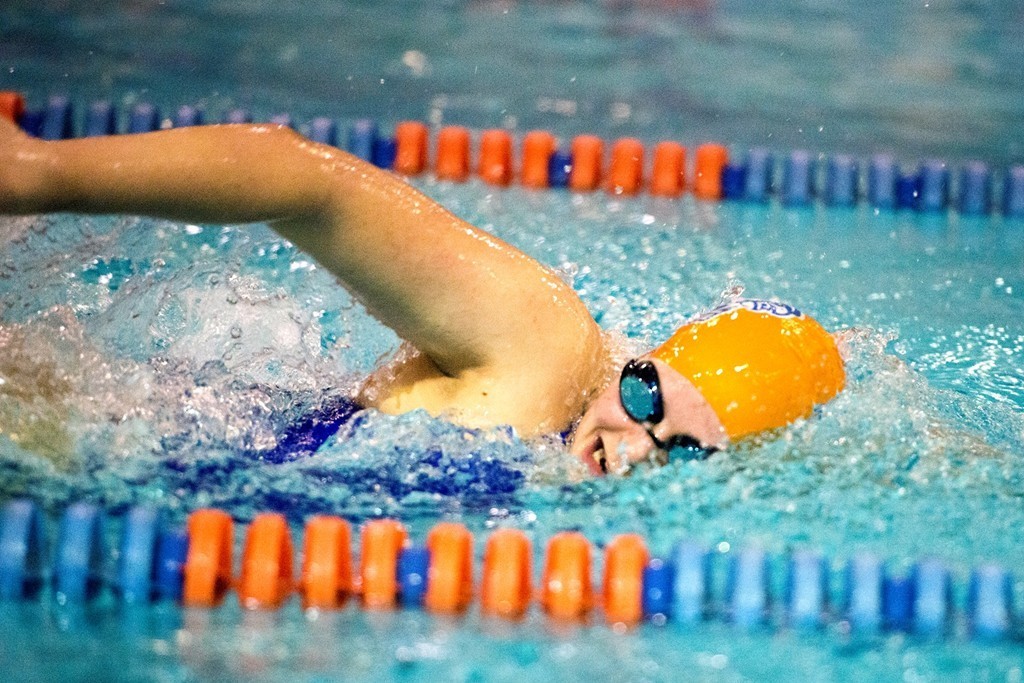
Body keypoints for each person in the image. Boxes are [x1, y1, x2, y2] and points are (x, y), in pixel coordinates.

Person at [0, 116, 845, 475]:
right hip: (90, 435)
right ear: (640, 361)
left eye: (683, 450)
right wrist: (42, 172)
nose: (631, 444)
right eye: (647, 395)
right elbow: (304, 180)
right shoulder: (543, 349)